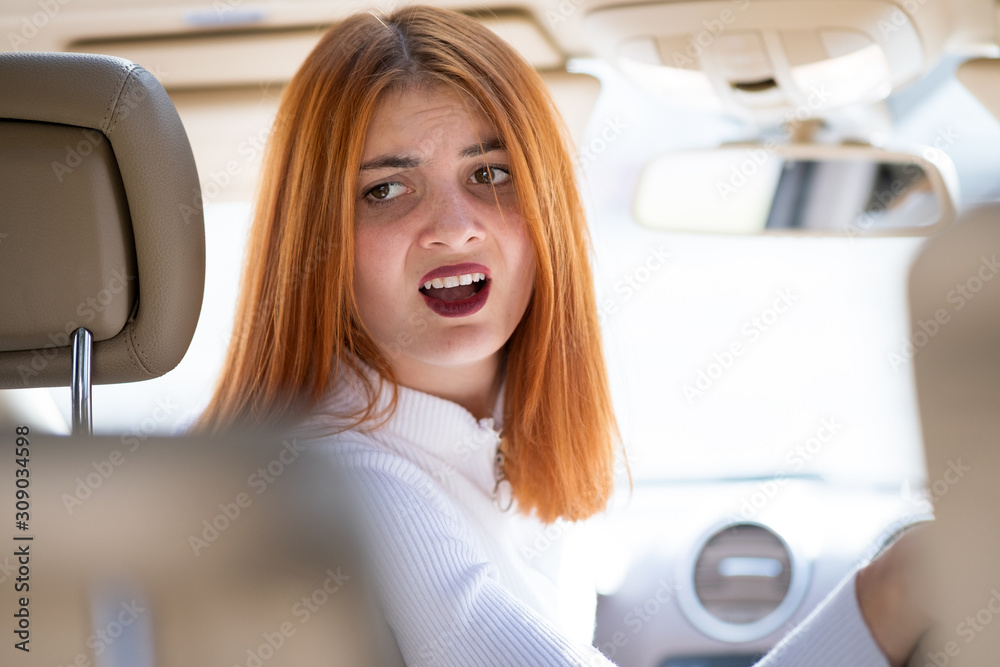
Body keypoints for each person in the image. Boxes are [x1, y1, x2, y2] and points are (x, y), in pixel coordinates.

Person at [196, 5, 929, 666]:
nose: (454, 226)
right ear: (318, 239)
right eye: (387, 188)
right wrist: (895, 591)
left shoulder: (495, 456)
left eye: (491, 173)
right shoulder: (340, 477)